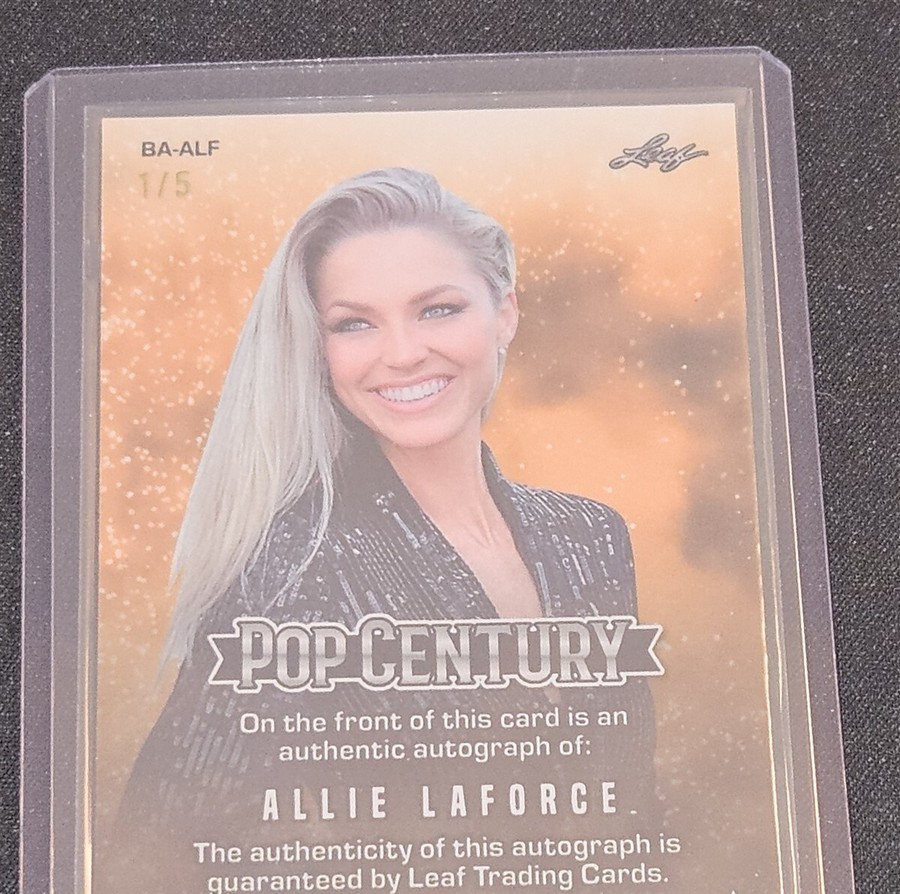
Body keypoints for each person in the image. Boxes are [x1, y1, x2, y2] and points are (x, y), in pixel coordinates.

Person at [122, 167, 656, 834]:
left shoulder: (591, 535)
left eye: (438, 309)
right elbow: (160, 854)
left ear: (505, 314)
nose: (402, 354)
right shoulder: (289, 565)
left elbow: (634, 810)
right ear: (318, 351)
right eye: (354, 324)